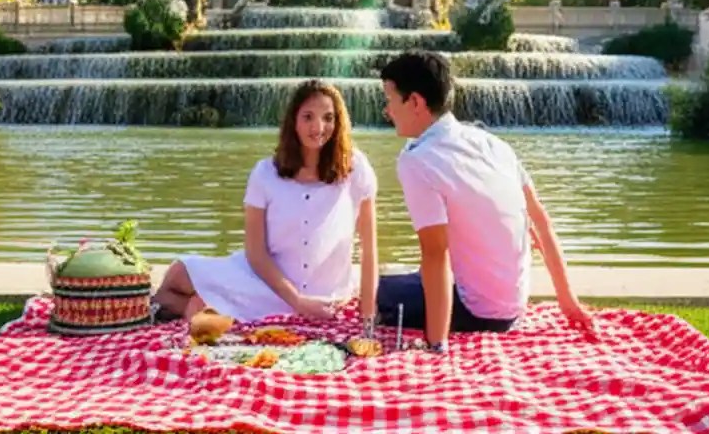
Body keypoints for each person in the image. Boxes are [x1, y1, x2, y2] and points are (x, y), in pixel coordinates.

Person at [376, 51, 593, 352]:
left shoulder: (418, 160)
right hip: (514, 308)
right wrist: (569, 303)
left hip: (478, 312)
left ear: (415, 102)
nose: (387, 111)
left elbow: (435, 253)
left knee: (382, 292)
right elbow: (540, 220)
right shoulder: (492, 144)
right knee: (413, 277)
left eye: (390, 99)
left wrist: (436, 343)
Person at [152, 79, 379, 324]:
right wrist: (298, 301)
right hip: (268, 283)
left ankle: (211, 310)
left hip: (326, 293)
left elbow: (369, 248)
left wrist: (368, 315)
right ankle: (191, 308)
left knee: (179, 288)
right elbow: (256, 253)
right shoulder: (265, 173)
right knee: (176, 275)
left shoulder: (356, 168)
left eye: (328, 117)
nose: (319, 127)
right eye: (308, 117)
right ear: (293, 120)